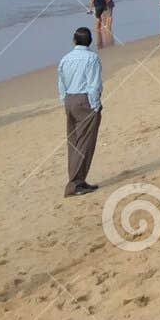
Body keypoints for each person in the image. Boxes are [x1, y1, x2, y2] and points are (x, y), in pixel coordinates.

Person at [58, 26, 102, 197]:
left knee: (74, 142)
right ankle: (74, 183)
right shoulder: (92, 58)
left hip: (70, 100)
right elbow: (94, 84)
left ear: (74, 41)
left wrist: (65, 100)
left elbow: (61, 84)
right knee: (85, 142)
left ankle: (79, 181)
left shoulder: (65, 59)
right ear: (89, 41)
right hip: (85, 100)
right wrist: (95, 105)